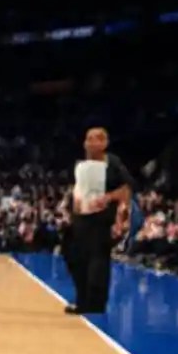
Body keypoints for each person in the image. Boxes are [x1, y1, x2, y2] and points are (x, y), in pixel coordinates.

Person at [66, 127, 133, 314]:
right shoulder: (80, 164)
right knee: (77, 259)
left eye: (97, 139)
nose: (91, 142)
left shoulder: (113, 163)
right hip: (80, 218)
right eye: (88, 138)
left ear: (105, 143)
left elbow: (126, 189)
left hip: (102, 219)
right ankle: (82, 299)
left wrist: (110, 199)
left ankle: (95, 304)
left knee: (98, 260)